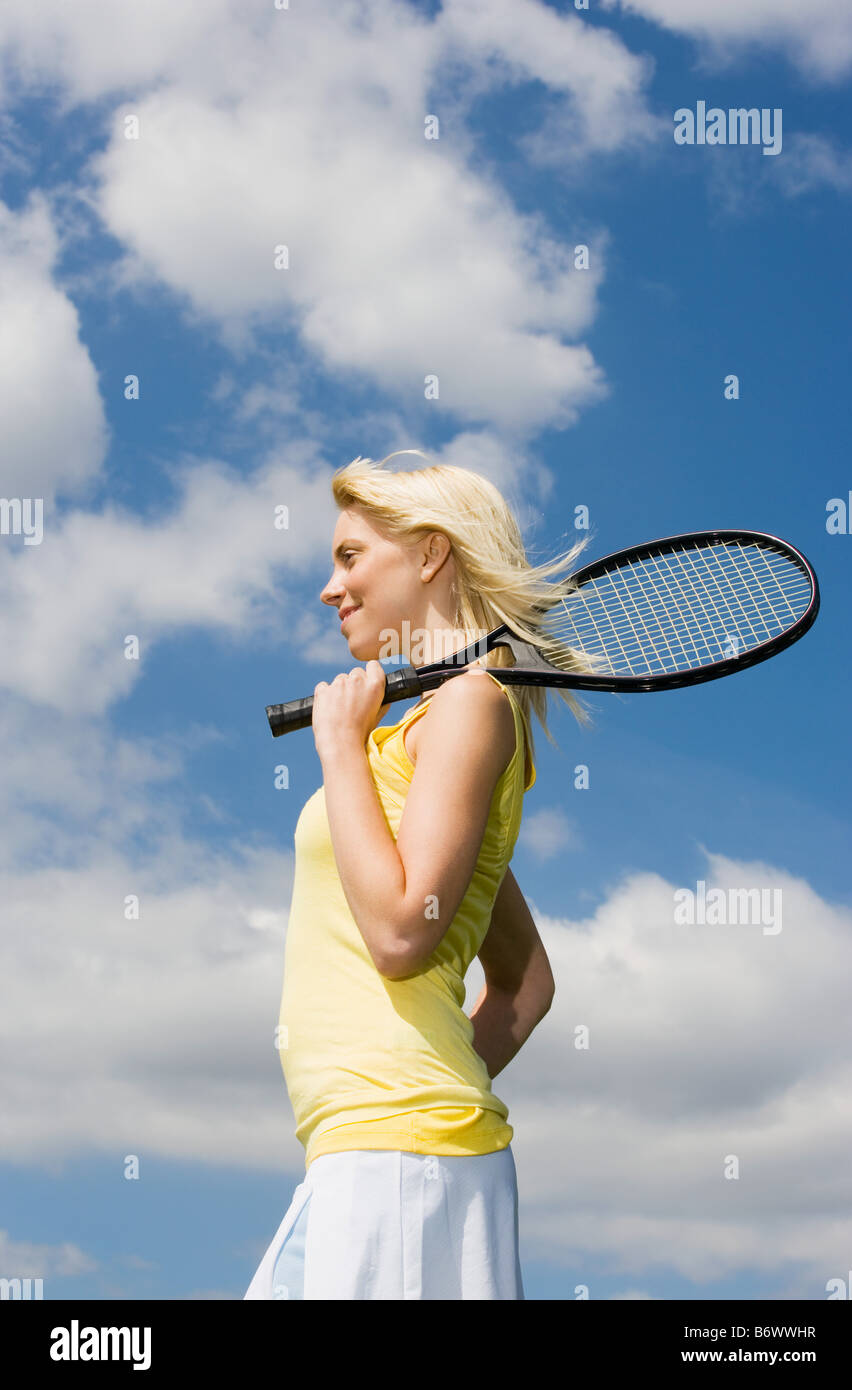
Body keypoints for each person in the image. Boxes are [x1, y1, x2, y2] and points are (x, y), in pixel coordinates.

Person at [244, 451, 596, 1300]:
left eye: (351, 557)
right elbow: (527, 983)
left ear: (432, 553)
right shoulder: (421, 739)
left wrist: (337, 749)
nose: (331, 588)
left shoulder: (474, 703)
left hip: (399, 1164)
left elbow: (402, 932)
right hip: (388, 1152)